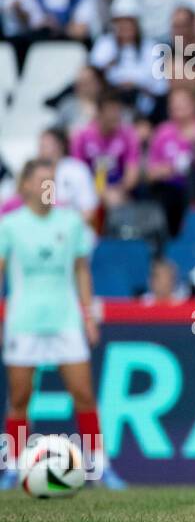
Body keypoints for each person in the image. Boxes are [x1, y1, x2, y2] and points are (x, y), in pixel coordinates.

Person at [0, 160, 125, 491]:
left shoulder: (70, 224)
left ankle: (100, 466)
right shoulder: (9, 225)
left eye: (52, 182)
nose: (48, 188)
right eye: (42, 181)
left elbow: (82, 270)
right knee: (20, 397)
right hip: (24, 321)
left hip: (66, 319)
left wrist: (87, 315)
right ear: (25, 186)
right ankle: (12, 467)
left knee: (83, 394)